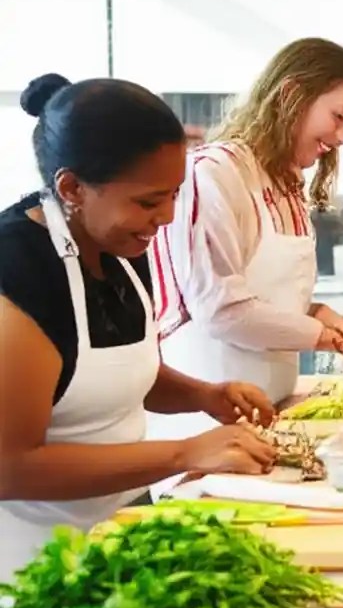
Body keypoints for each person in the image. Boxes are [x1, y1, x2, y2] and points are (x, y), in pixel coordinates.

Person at [0, 74, 276, 581]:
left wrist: (204, 395)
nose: (166, 217)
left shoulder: (119, 248)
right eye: (149, 202)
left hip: (127, 536)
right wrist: (184, 452)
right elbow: (10, 467)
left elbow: (112, 373)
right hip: (37, 571)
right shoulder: (17, 272)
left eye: (173, 195)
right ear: (71, 188)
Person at [148, 39, 343, 494]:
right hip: (205, 435)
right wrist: (334, 339)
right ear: (291, 95)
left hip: (268, 419)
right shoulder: (214, 174)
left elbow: (286, 306)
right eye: (339, 117)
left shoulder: (286, 183)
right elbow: (222, 310)